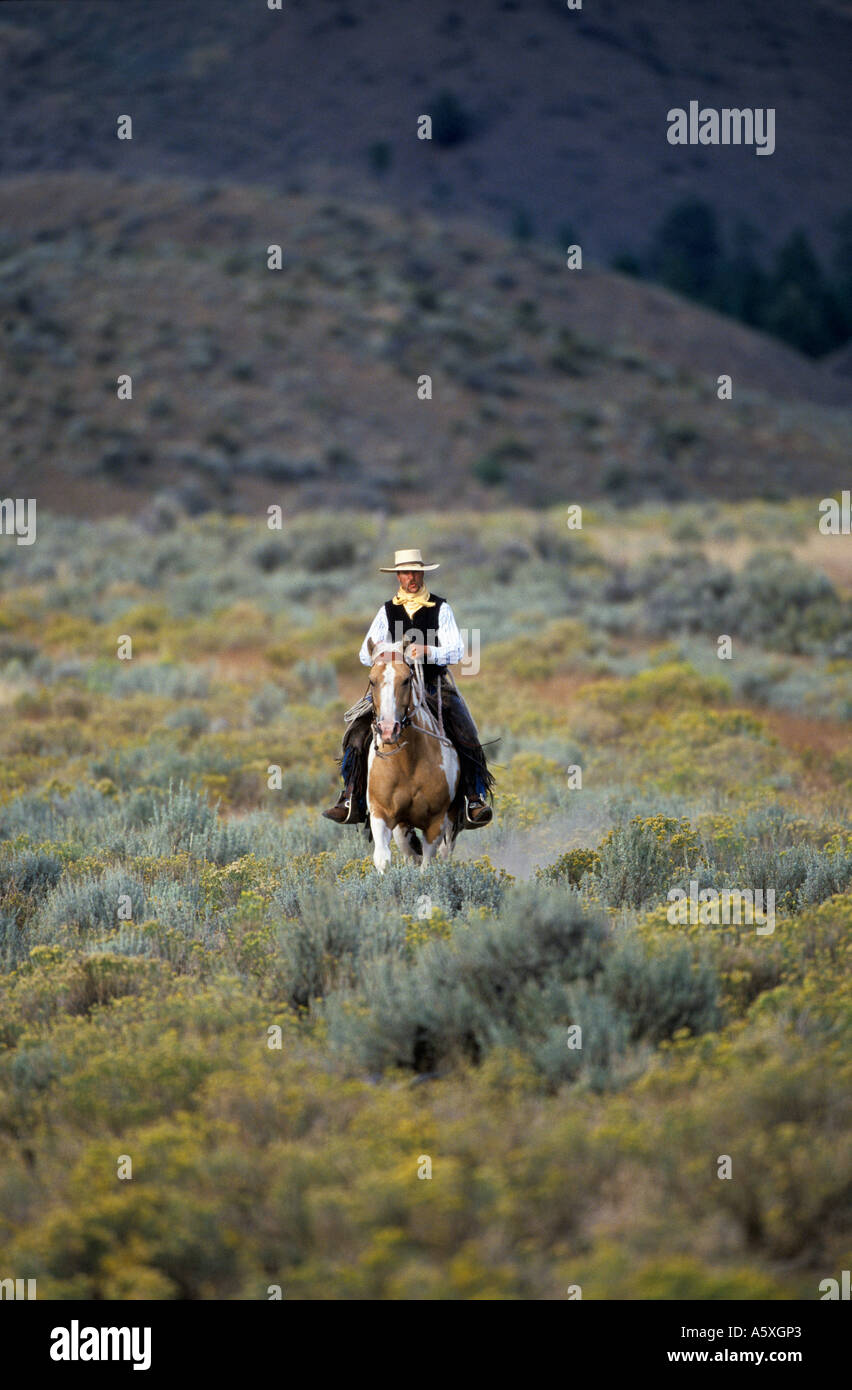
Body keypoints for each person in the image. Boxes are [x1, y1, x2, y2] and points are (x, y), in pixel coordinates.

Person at [323, 547, 495, 828]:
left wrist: (428, 650)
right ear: (398, 577)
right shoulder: (387, 610)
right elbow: (365, 655)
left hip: (433, 684)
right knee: (355, 733)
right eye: (405, 572)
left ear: (422, 574)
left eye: (415, 572)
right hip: (393, 686)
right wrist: (393, 654)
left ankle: (473, 799)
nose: (411, 577)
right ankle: (350, 798)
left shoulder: (441, 608)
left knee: (466, 731)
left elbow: (456, 651)